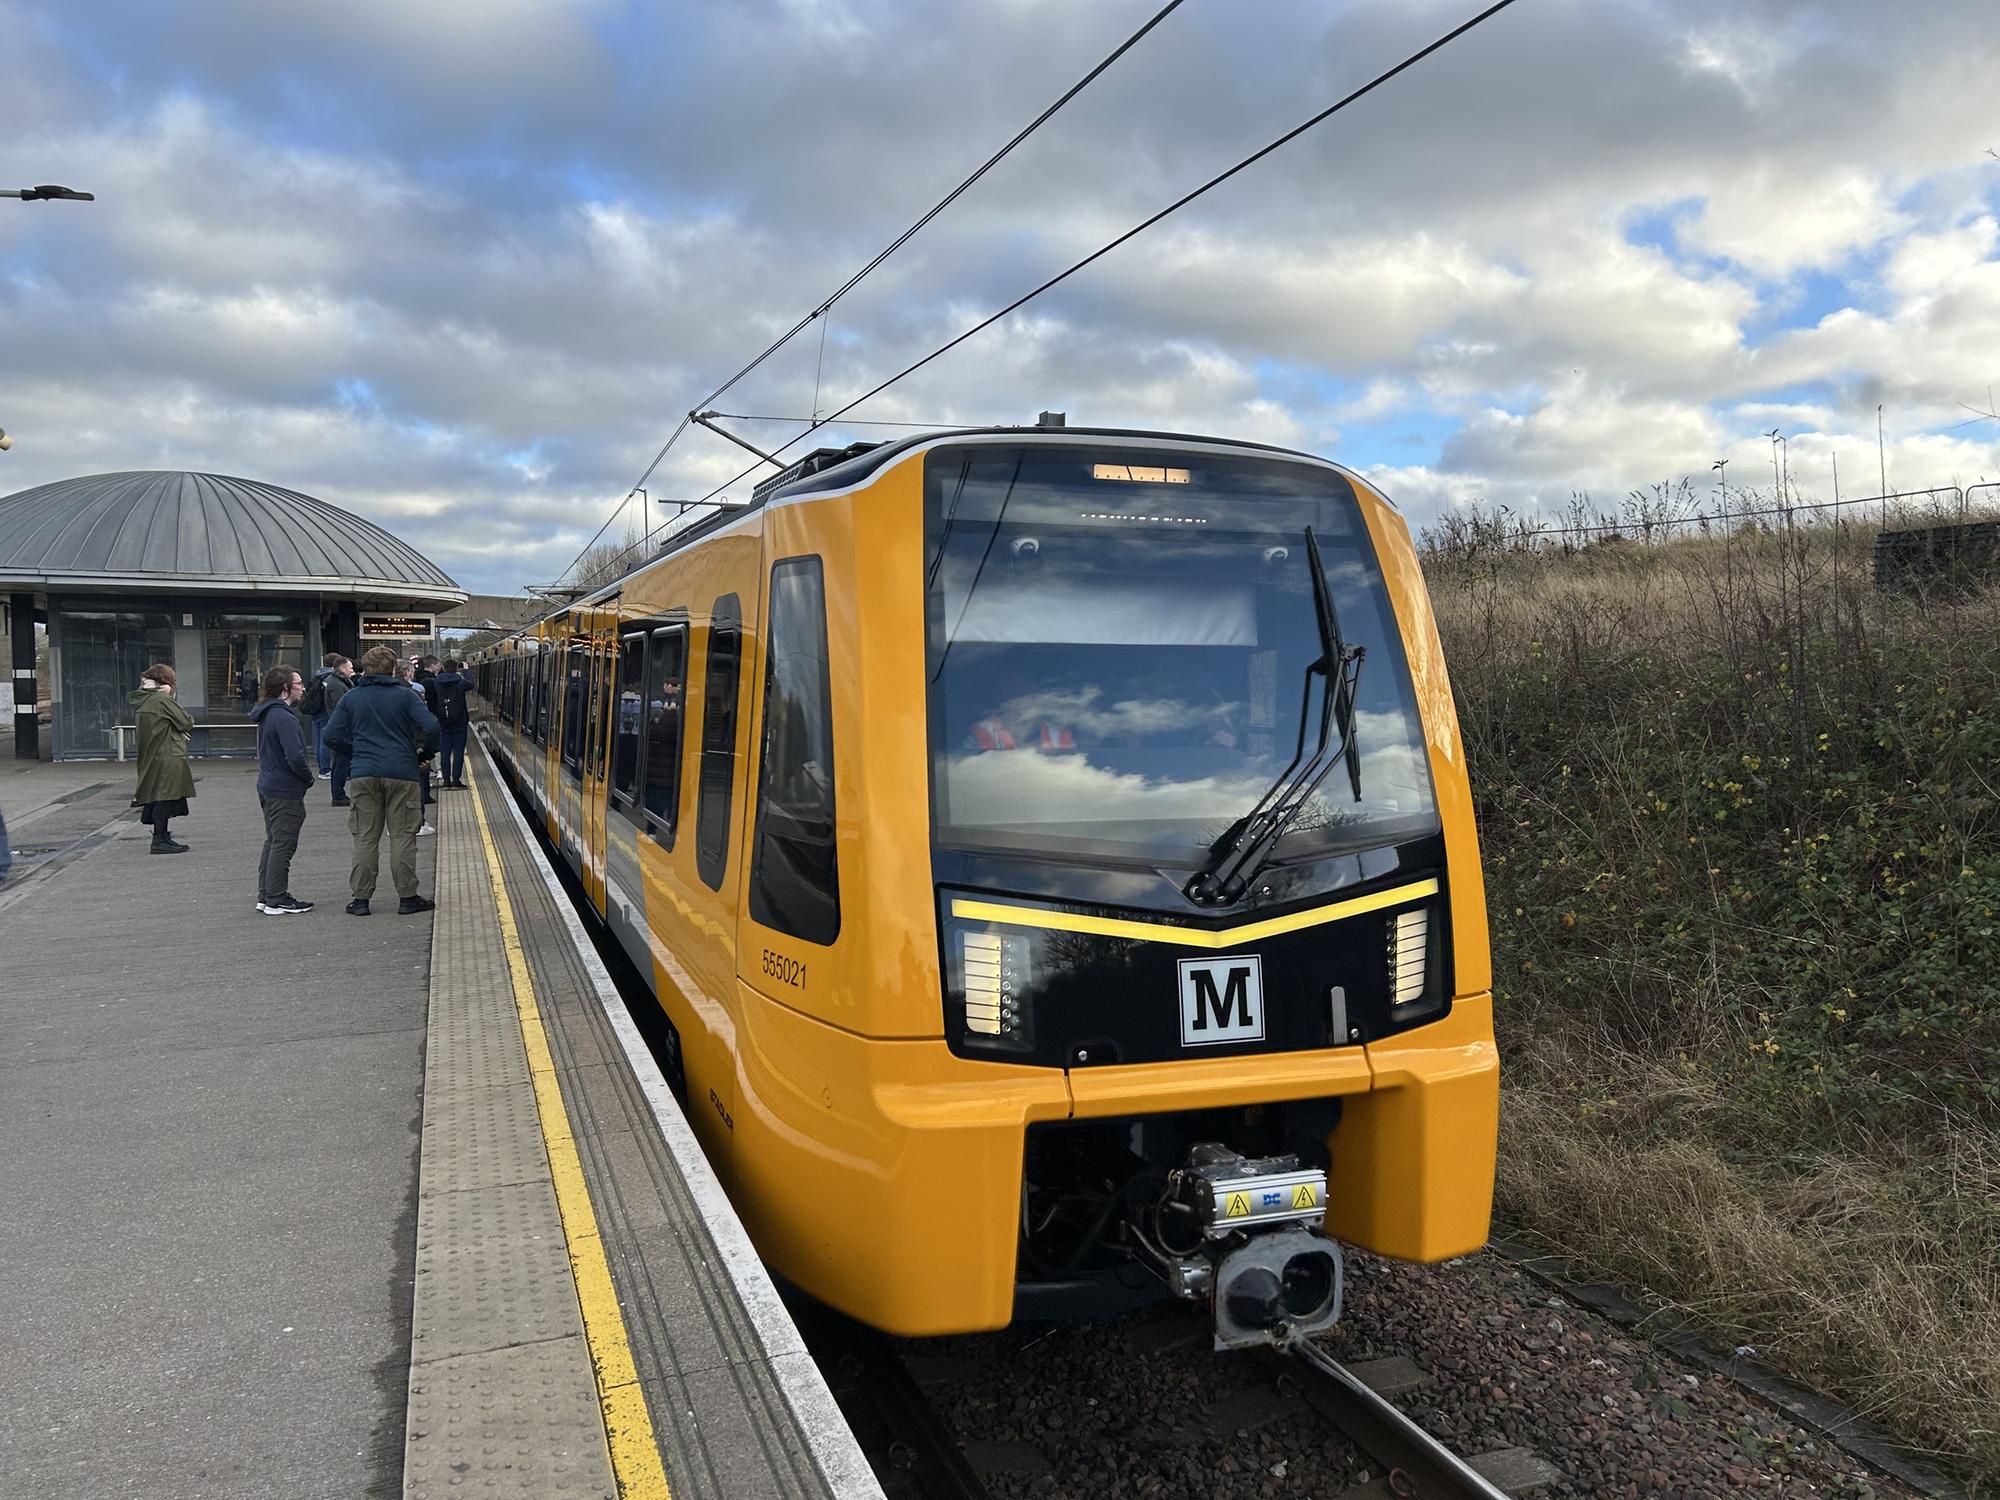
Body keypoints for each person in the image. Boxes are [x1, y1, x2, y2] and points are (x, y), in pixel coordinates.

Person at [322, 644, 439, 916]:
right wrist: (423, 754)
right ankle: (407, 898)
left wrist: (357, 752)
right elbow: (432, 726)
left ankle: (361, 900)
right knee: (402, 837)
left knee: (365, 837)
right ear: (392, 669)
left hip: (364, 774)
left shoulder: (352, 698)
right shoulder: (406, 696)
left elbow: (330, 735)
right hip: (402, 773)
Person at [250, 666, 316, 914]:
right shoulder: (284, 717)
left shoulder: (267, 714)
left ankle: (266, 895)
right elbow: (295, 756)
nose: (302, 688)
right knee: (283, 844)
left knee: (273, 841)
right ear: (285, 688)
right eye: (298, 684)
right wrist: (307, 778)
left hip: (268, 784)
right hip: (284, 790)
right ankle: (277, 898)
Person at [129, 663, 196, 853]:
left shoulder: (143, 700)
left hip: (153, 754)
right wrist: (168, 696)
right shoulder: (161, 700)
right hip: (166, 755)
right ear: (165, 682)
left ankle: (162, 836)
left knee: (159, 795)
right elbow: (186, 721)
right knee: (164, 796)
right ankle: (159, 839)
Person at [400, 660, 437, 836]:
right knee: (417, 786)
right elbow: (430, 726)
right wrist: (426, 753)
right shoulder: (413, 693)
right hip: (412, 751)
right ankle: (419, 823)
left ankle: (397, 825)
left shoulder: (359, 695)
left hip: (379, 761)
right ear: (407, 672)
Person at [425, 656, 472, 788]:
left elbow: (432, 701)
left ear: (444, 668)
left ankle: (446, 780)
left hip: (443, 722)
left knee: (445, 752)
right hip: (460, 722)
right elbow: (472, 684)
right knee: (458, 752)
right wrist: (466, 671)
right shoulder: (461, 682)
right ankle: (456, 779)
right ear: (456, 668)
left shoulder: (435, 682)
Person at [320, 655, 357, 806]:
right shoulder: (337, 685)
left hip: (343, 729)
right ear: (342, 668)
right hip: (341, 731)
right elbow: (339, 708)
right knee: (340, 763)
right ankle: (338, 794)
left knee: (341, 762)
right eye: (350, 668)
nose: (352, 671)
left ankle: (339, 793)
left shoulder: (340, 683)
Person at [302, 652, 343, 774]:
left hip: (316, 710)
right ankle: (325, 769)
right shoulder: (329, 677)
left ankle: (322, 766)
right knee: (325, 740)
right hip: (325, 710)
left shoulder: (318, 674)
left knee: (319, 740)